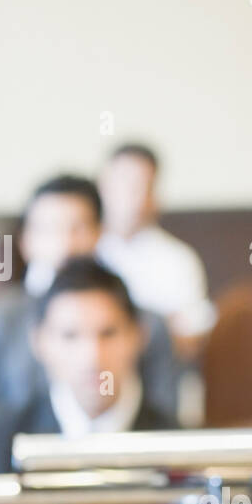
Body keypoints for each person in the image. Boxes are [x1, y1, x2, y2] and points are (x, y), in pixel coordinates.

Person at [0, 175, 181, 475]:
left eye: (78, 227)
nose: (65, 243)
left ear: (101, 233)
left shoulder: (147, 322)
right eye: (49, 229)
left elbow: (161, 429)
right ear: (26, 240)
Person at [0, 258, 176, 474]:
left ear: (139, 336)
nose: (92, 357)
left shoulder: (180, 446)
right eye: (70, 336)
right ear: (39, 342)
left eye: (108, 334)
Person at [96, 142, 217, 361]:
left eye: (145, 186)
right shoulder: (82, 250)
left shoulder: (178, 259)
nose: (135, 197)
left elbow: (192, 339)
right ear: (103, 186)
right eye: (126, 184)